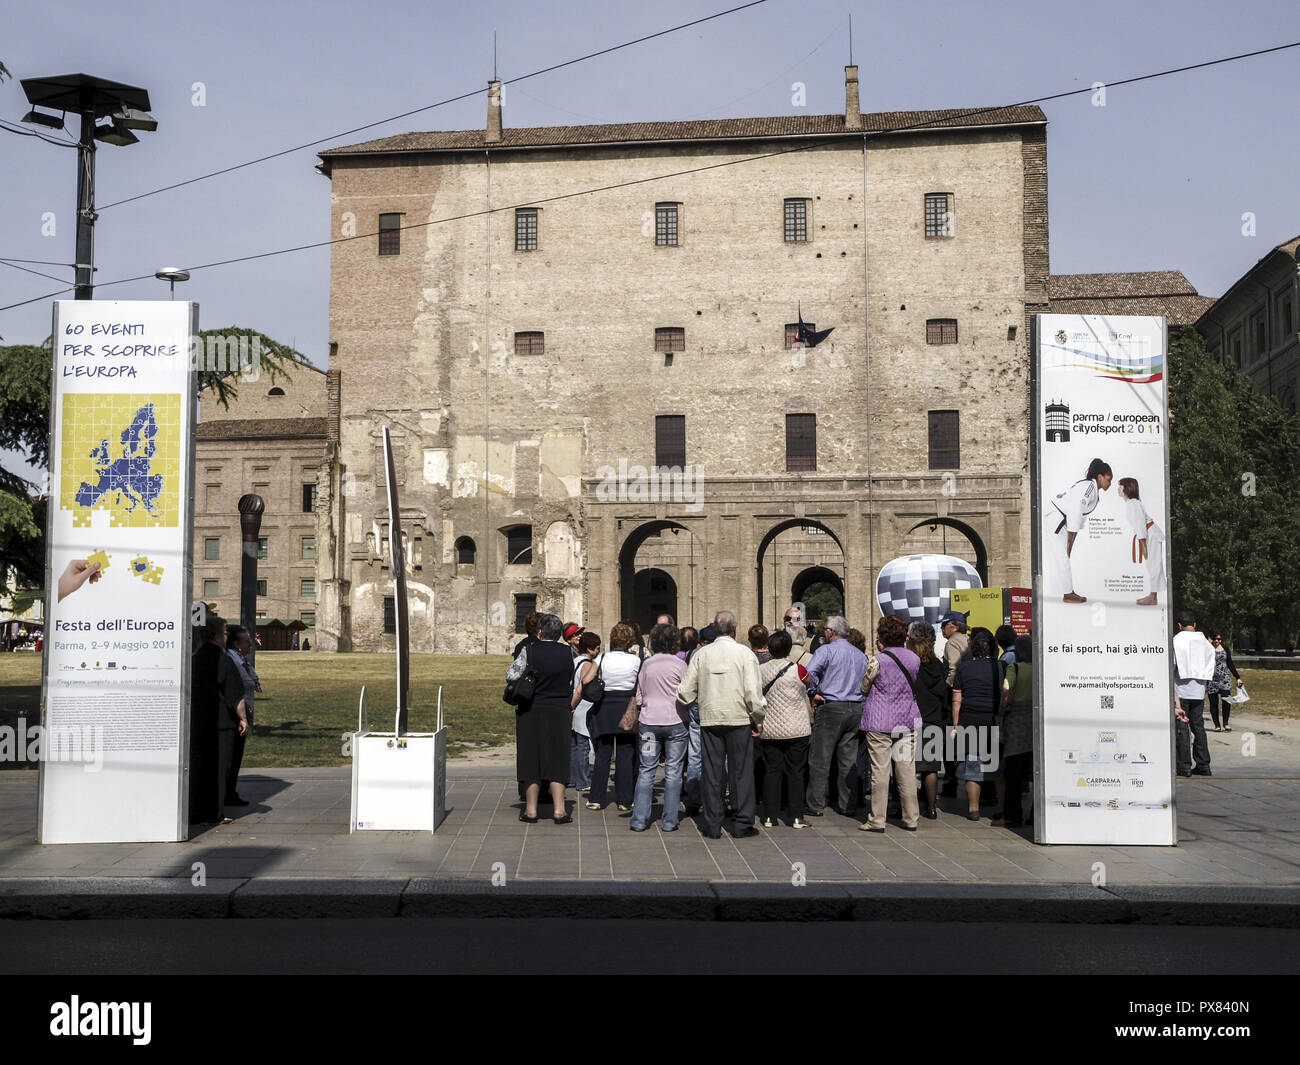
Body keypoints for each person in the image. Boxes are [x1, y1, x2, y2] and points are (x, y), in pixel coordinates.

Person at [676, 610, 765, 839]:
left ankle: (713, 824)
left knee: (712, 772)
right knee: (741, 772)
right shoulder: (744, 654)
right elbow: (753, 693)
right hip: (739, 719)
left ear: (715, 630)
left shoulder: (701, 654)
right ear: (734, 629)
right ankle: (742, 823)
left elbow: (685, 693)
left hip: (710, 718)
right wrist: (758, 718)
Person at [506, 613, 574, 823]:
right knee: (558, 758)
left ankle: (531, 810)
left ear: (540, 632)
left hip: (531, 709)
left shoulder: (529, 650)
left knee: (531, 758)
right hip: (560, 709)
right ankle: (559, 810)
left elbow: (512, 674)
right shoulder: (568, 652)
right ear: (559, 634)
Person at [859, 615, 922, 833]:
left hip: (879, 720)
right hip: (906, 719)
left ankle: (877, 820)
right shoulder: (914, 658)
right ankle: (911, 817)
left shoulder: (877, 660)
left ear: (882, 636)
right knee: (906, 770)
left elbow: (864, 687)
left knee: (880, 771)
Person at [803, 615, 867, 818]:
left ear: (831, 632)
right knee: (848, 759)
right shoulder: (860, 655)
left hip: (831, 706)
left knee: (820, 757)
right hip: (855, 707)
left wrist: (813, 692)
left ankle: (816, 803)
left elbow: (808, 672)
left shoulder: (826, 651)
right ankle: (847, 804)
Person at [575, 621, 642, 810]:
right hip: (626, 707)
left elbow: (586, 680)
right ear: (630, 641)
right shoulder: (636, 660)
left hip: (604, 706)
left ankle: (596, 798)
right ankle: (625, 800)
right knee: (626, 754)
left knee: (603, 754)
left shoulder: (602, 658)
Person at [189, 614, 249, 825]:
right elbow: (236, 696)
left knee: (200, 765)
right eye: (224, 632)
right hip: (222, 723)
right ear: (216, 635)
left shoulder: (195, 657)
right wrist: (243, 719)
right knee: (221, 767)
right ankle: (214, 811)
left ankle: (196, 809)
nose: (226, 636)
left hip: (198, 720)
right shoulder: (223, 659)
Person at [630, 623, 689, 832]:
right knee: (674, 771)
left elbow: (639, 695)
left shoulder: (646, 664)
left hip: (649, 723)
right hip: (676, 723)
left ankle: (639, 819)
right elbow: (687, 693)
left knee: (646, 770)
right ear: (675, 642)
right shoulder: (680, 665)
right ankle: (670, 821)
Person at [757, 630, 812, 828]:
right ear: (789, 648)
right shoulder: (799, 669)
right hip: (797, 728)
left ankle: (769, 817)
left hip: (770, 728)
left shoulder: (761, 670)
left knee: (771, 772)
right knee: (796, 773)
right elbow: (809, 683)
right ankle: (797, 816)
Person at [951, 628, 1003, 821]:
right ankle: (1001, 806)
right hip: (993, 719)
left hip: (969, 719)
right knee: (996, 765)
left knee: (972, 763)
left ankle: (974, 809)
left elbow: (957, 700)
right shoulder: (1000, 667)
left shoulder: (963, 668)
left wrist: (956, 726)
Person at [1045, 458, 1113, 603]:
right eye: (1108, 479)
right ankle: (1067, 594)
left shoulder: (1091, 489)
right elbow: (1076, 510)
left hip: (1059, 518)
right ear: (1100, 476)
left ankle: (1065, 591)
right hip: (1057, 517)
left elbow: (1079, 516)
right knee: (1062, 556)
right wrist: (1070, 540)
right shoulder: (1088, 487)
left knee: (1062, 556)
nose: (1110, 483)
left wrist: (1072, 539)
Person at [907, 621, 949, 820]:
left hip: (913, 720)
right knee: (930, 767)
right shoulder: (939, 666)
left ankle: (909, 806)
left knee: (908, 766)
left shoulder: (913, 669)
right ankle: (931, 808)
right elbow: (943, 693)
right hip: (934, 721)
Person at [996, 633, 1033, 827]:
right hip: (1034, 723)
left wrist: (1005, 703)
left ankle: (1013, 815)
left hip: (1016, 723)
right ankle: (1035, 815)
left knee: (1014, 773)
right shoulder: (1038, 668)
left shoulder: (1014, 667)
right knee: (1034, 773)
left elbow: (1006, 687)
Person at [1173, 611, 1215, 776]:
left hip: (1181, 690)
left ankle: (1184, 766)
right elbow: (1213, 670)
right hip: (1199, 691)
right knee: (1199, 728)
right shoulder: (1206, 643)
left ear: (1179, 625)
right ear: (1195, 624)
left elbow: (1173, 667)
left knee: (1182, 728)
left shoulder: (1176, 641)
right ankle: (1203, 764)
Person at [225, 626, 261, 806]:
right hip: (236, 714)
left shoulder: (239, 659)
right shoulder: (232, 659)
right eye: (247, 641)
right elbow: (237, 688)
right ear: (237, 644)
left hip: (243, 710)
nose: (251, 644)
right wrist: (243, 718)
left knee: (236, 755)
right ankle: (227, 793)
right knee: (232, 756)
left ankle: (230, 792)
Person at [1118, 477, 1165, 606]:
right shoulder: (1132, 503)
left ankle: (1153, 597)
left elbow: (1140, 526)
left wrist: (1143, 545)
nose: (1118, 489)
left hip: (1151, 535)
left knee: (1154, 565)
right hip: (1149, 534)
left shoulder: (1133, 504)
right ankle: (1153, 595)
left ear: (1126, 488)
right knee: (1152, 565)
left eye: (1120, 486)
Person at [937, 610, 970, 798]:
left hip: (954, 699)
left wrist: (947, 688)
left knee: (950, 741)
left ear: (953, 626)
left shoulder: (952, 642)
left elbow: (953, 669)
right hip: (970, 697)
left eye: (944, 625)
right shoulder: (967, 640)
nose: (942, 629)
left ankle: (951, 780)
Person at [570, 631, 600, 792]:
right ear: (589, 649)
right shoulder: (587, 664)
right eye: (597, 648)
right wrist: (572, 705)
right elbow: (581, 688)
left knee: (574, 745)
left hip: (576, 708)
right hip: (582, 707)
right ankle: (583, 780)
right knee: (582, 746)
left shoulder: (575, 661)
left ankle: (573, 778)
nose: (598, 652)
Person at [1206, 628, 1240, 732]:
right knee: (1214, 703)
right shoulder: (1207, 649)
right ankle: (1217, 725)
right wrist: (1208, 644)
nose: (1217, 641)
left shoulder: (1225, 648)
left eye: (1219, 639)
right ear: (1210, 639)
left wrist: (1238, 677)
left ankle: (1226, 723)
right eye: (1214, 639)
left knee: (1226, 701)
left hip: (1224, 679)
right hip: (1211, 680)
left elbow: (1230, 663)